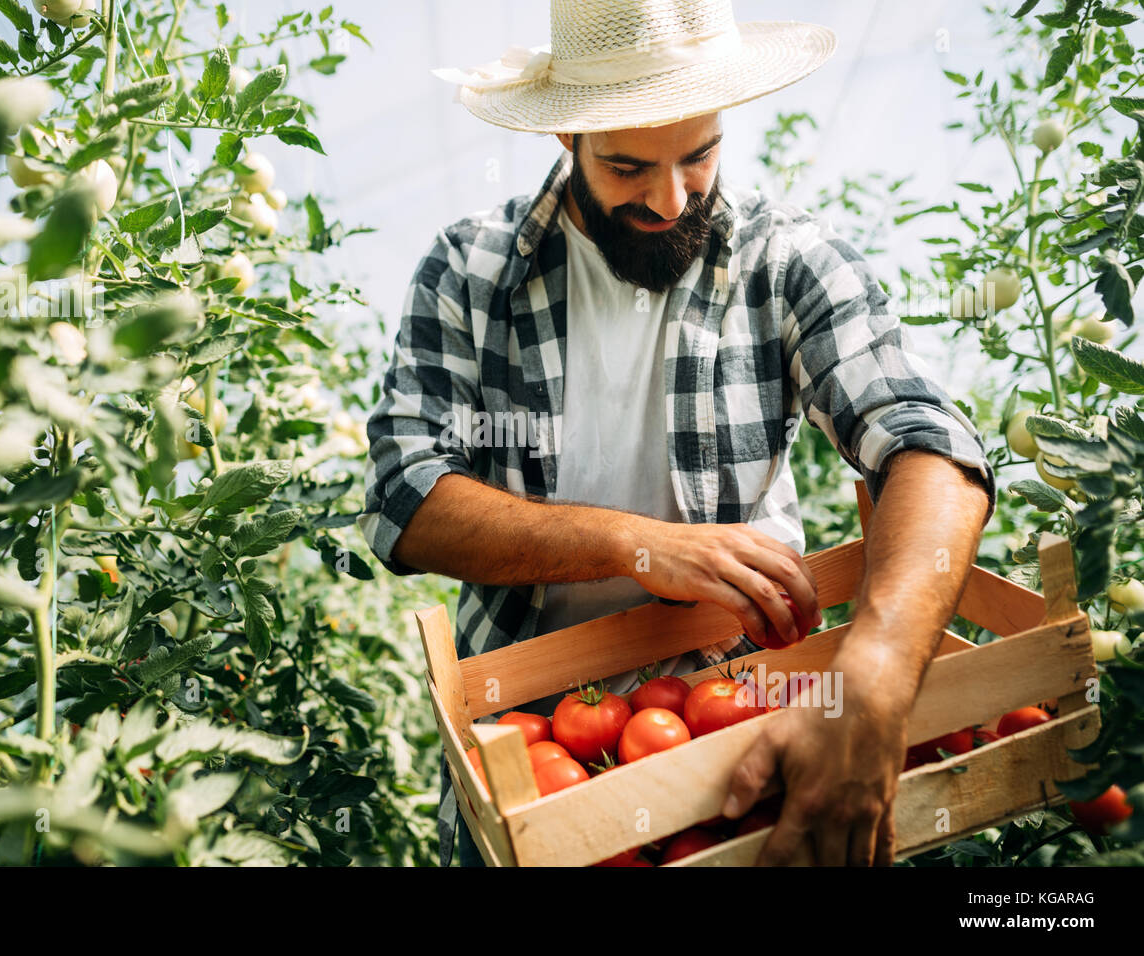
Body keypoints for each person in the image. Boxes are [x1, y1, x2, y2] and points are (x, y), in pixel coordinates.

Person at [358, 0, 997, 867]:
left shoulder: (784, 262)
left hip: (739, 719)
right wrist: (637, 545)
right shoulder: (471, 271)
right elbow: (405, 496)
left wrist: (877, 674)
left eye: (699, 156)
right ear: (566, 138)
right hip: (536, 759)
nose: (670, 198)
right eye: (627, 167)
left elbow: (925, 438)